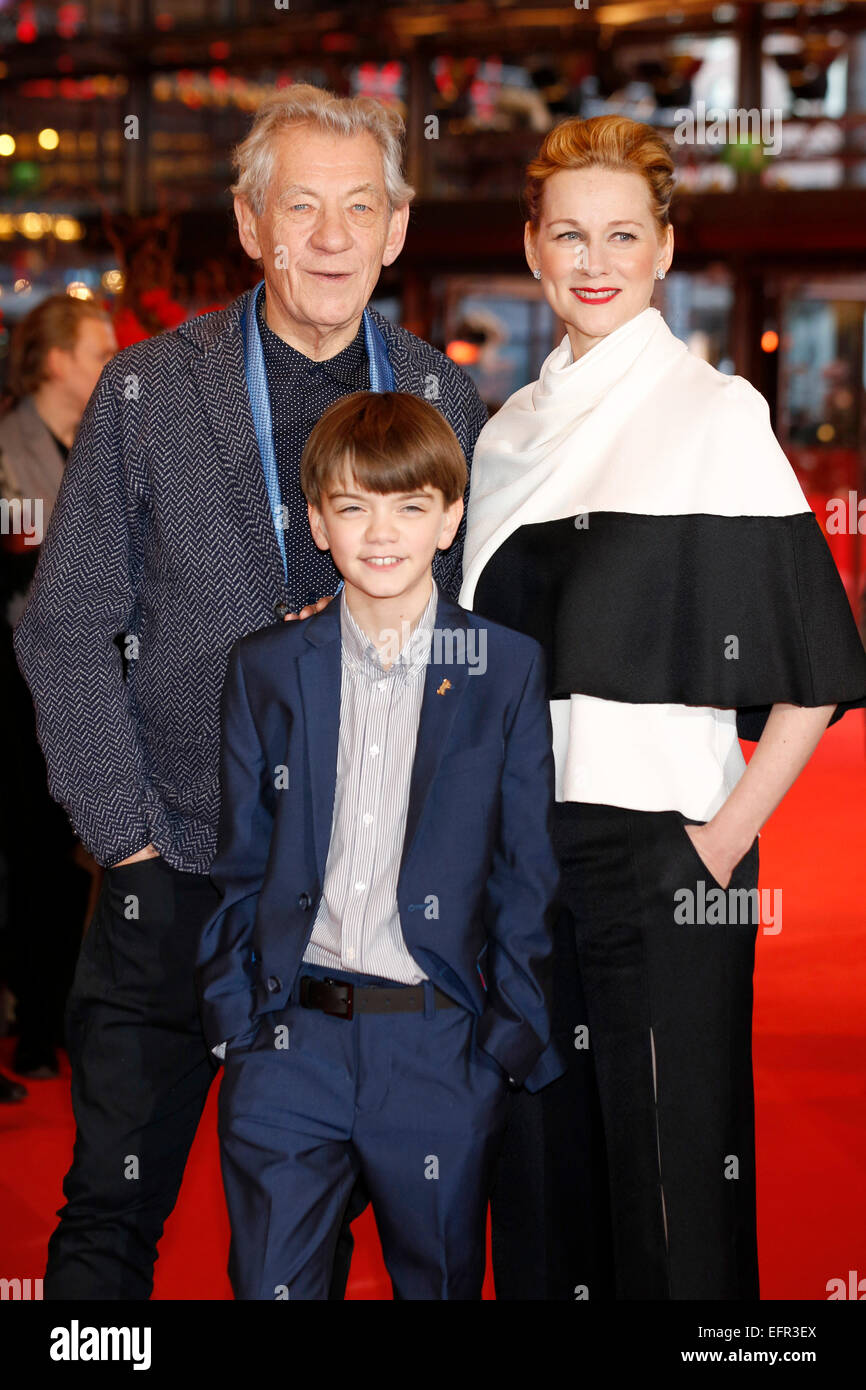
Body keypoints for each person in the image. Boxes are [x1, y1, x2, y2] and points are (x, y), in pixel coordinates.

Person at [13, 86, 487, 1301]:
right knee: (109, 1214)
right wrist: (123, 841)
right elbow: (66, 627)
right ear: (249, 221)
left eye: (359, 209)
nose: (329, 237)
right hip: (173, 871)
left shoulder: (441, 400)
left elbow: (479, 643)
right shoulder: (144, 390)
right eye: (300, 206)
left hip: (362, 907)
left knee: (302, 1244)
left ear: (395, 231)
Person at [459, 114, 866, 1301]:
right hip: (520, 860)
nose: (594, 259)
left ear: (663, 248)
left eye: (622, 234)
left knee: (674, 1189)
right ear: (531, 248)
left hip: (662, 854)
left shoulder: (712, 414)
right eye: (569, 233)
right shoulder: (505, 437)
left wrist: (721, 839)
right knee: (541, 1178)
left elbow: (814, 669)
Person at [197, 390, 562, 1299]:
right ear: (318, 523)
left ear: (450, 517)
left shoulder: (503, 668)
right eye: (353, 507)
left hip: (437, 1048)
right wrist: (236, 1024)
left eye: (409, 505)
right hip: (291, 1046)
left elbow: (528, 871)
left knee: (435, 1286)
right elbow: (241, 858)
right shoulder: (268, 669)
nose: (382, 532)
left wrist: (504, 1042)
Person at [0, 295, 117, 1083]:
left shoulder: (107, 445)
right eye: (100, 351)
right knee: (24, 861)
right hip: (13, 688)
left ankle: (49, 1017)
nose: (116, 363)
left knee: (63, 865)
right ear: (53, 362)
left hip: (85, 686)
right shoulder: (8, 452)